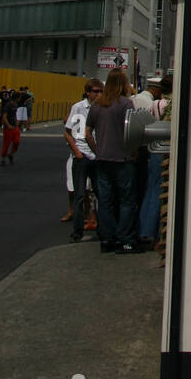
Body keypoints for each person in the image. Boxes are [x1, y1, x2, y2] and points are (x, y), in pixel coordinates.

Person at [83, 68, 142, 253]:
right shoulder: (126, 104)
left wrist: (97, 149)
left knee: (105, 200)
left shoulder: (97, 104)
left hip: (102, 158)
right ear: (123, 84)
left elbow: (87, 134)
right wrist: (133, 152)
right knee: (126, 200)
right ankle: (125, 240)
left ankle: (106, 239)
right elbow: (133, 132)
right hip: (123, 158)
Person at [64, 80, 102, 237]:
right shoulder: (78, 107)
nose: (98, 94)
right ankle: (77, 231)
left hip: (97, 155)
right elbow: (67, 131)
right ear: (88, 92)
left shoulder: (102, 108)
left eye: (101, 91)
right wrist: (77, 152)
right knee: (80, 195)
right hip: (82, 155)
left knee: (100, 193)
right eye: (95, 91)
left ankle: (102, 228)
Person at [139, 75, 172, 245]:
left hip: (154, 148)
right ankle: (156, 232)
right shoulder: (170, 104)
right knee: (163, 190)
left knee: (151, 188)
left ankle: (144, 229)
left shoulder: (155, 104)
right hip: (166, 147)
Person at [0, 90, 21, 165]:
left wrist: (17, 121)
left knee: (17, 141)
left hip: (14, 126)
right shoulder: (8, 105)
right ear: (17, 98)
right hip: (8, 127)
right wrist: (7, 125)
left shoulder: (16, 105)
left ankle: (10, 154)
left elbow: (15, 114)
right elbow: (4, 116)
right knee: (6, 143)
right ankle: (3, 158)